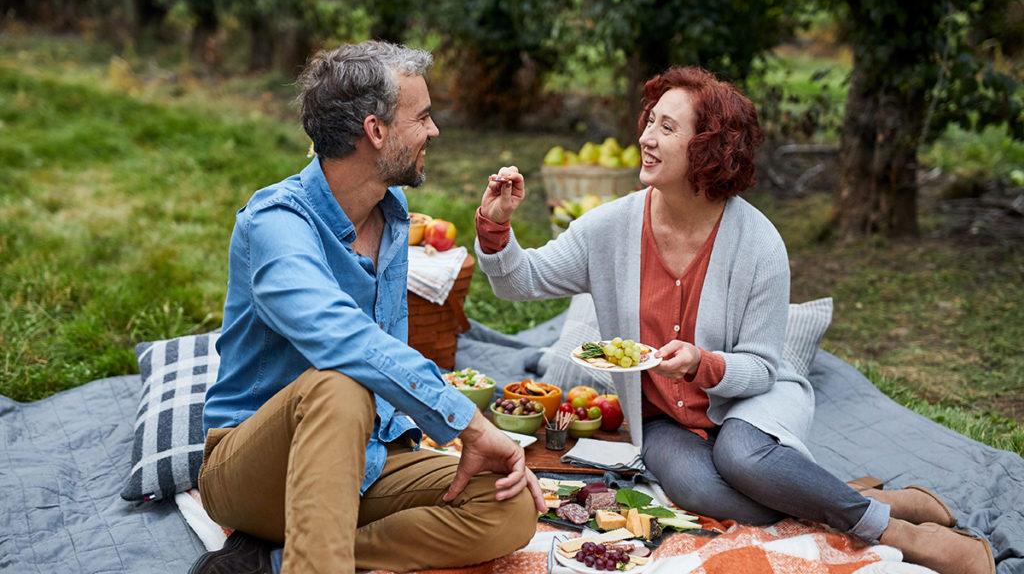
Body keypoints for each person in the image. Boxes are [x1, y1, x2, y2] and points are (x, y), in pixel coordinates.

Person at [474, 66, 994, 574]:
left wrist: (703, 363)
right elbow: (523, 280)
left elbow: (764, 368)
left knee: (744, 458)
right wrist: (497, 229)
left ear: (709, 148)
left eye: (667, 127)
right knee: (701, 491)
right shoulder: (610, 227)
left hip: (749, 398)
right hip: (661, 417)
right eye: (650, 121)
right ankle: (851, 494)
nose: (647, 138)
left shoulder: (759, 243)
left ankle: (897, 530)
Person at [190, 41, 545, 574]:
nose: (434, 131)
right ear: (375, 131)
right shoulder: (276, 223)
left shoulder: (392, 212)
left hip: (367, 459)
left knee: (509, 503)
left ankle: (281, 560)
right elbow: (343, 339)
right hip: (254, 475)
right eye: (422, 116)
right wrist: (467, 423)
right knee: (341, 380)